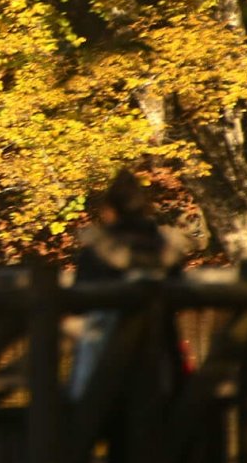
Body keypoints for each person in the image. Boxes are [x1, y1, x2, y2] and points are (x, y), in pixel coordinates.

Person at [69, 170, 189, 401]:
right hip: (161, 359)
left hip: (104, 361)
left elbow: (78, 305)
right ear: (145, 209)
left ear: (109, 210)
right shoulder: (165, 249)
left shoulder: (96, 251)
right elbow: (182, 298)